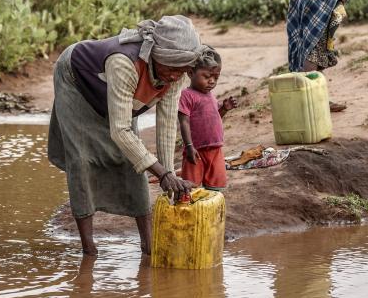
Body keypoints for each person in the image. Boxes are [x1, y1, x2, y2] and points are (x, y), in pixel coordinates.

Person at [47, 15, 200, 257]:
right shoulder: (124, 63)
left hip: (114, 95)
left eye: (181, 70)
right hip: (77, 82)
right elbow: (120, 131)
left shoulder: (176, 74)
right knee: (82, 161)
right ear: (155, 56)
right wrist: (162, 173)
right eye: (170, 69)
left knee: (132, 161)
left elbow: (167, 125)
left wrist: (168, 177)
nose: (174, 76)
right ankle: (89, 249)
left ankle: (148, 246)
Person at [178, 47, 239, 191]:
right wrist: (189, 146)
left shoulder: (210, 95)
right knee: (190, 188)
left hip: (216, 149)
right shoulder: (187, 95)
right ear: (191, 73)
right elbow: (184, 121)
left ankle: (211, 210)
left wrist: (224, 109)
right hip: (195, 151)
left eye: (216, 78)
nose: (212, 81)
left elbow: (214, 118)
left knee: (216, 187)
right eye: (207, 77)